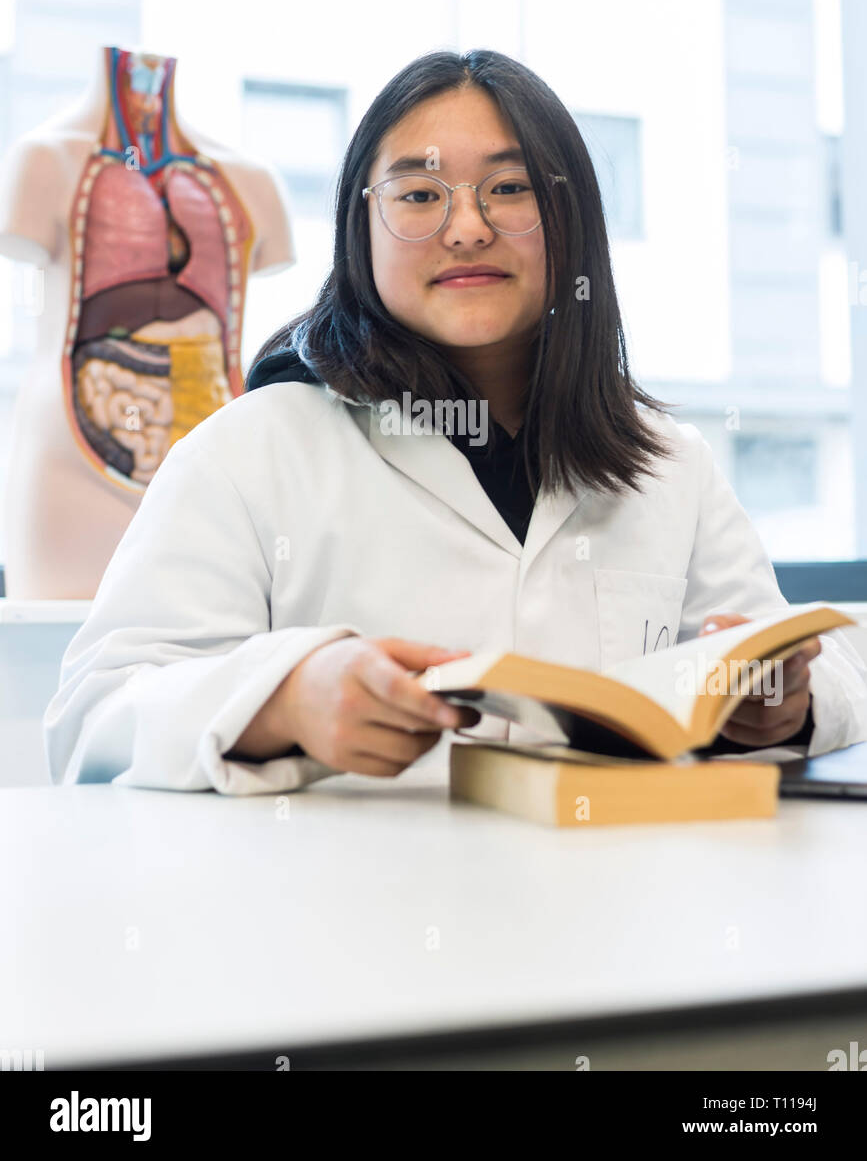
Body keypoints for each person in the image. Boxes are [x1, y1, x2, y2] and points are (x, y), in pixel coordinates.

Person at [44, 50, 867, 794]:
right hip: (341, 933)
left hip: (618, 923)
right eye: (419, 194)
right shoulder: (249, 450)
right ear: (359, 230)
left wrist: (783, 706)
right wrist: (284, 701)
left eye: (508, 189)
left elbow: (812, 668)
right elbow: (93, 720)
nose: (467, 226)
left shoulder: (668, 466)